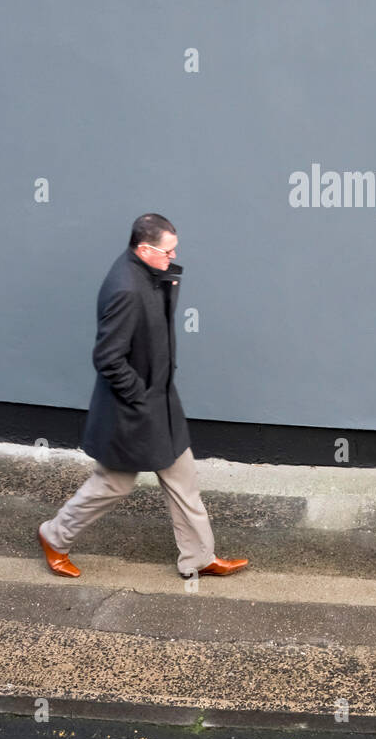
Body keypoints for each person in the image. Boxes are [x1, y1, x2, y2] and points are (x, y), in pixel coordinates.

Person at [38, 213, 248, 581]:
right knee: (113, 484)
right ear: (144, 248)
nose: (174, 255)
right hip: (131, 412)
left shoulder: (149, 275)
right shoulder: (126, 289)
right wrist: (140, 395)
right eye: (168, 251)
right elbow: (107, 358)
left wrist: (157, 393)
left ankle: (199, 557)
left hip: (160, 403)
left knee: (183, 478)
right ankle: (54, 536)